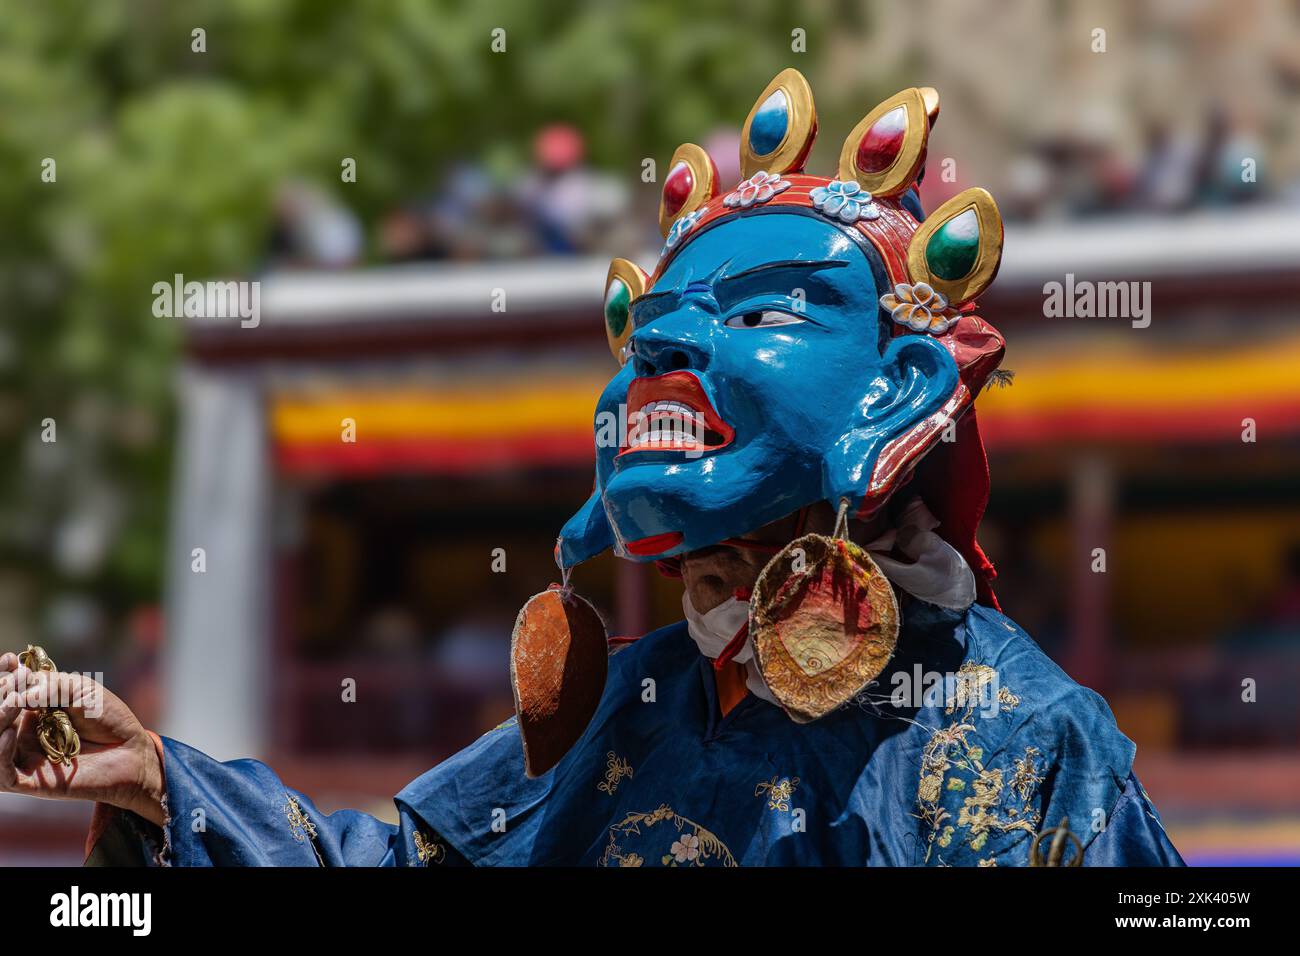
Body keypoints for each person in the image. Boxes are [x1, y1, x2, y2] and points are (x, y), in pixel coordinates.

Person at [0, 70, 1182, 867]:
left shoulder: (1030, 741)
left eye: (764, 311)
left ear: (896, 389)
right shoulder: (627, 704)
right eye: (653, 321)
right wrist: (155, 774)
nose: (663, 344)